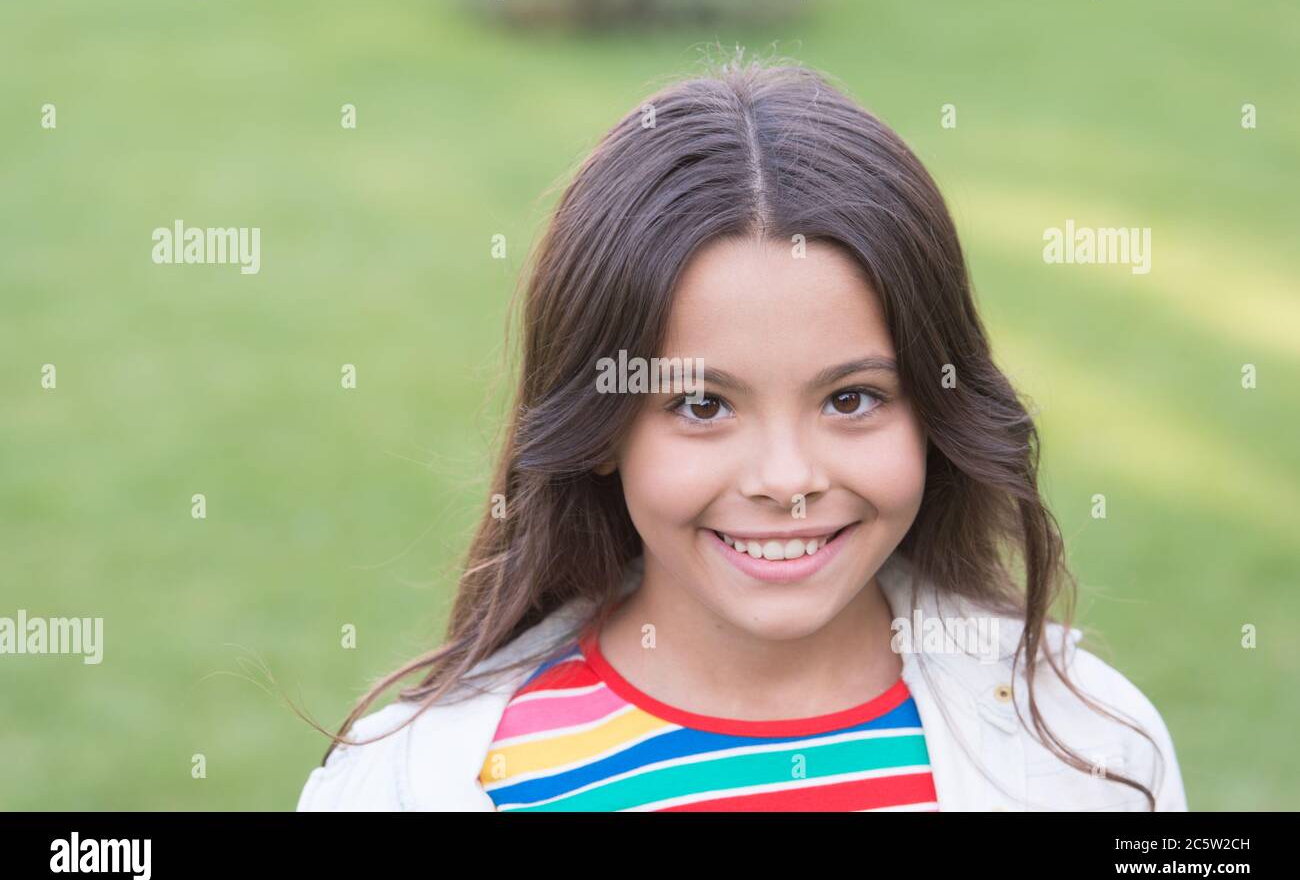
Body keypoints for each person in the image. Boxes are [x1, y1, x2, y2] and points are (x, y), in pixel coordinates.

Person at [296, 52, 1187, 812]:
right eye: (701, 406)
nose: (786, 475)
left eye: (852, 399)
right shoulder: (421, 784)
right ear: (600, 427)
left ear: (935, 409)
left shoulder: (1088, 751)